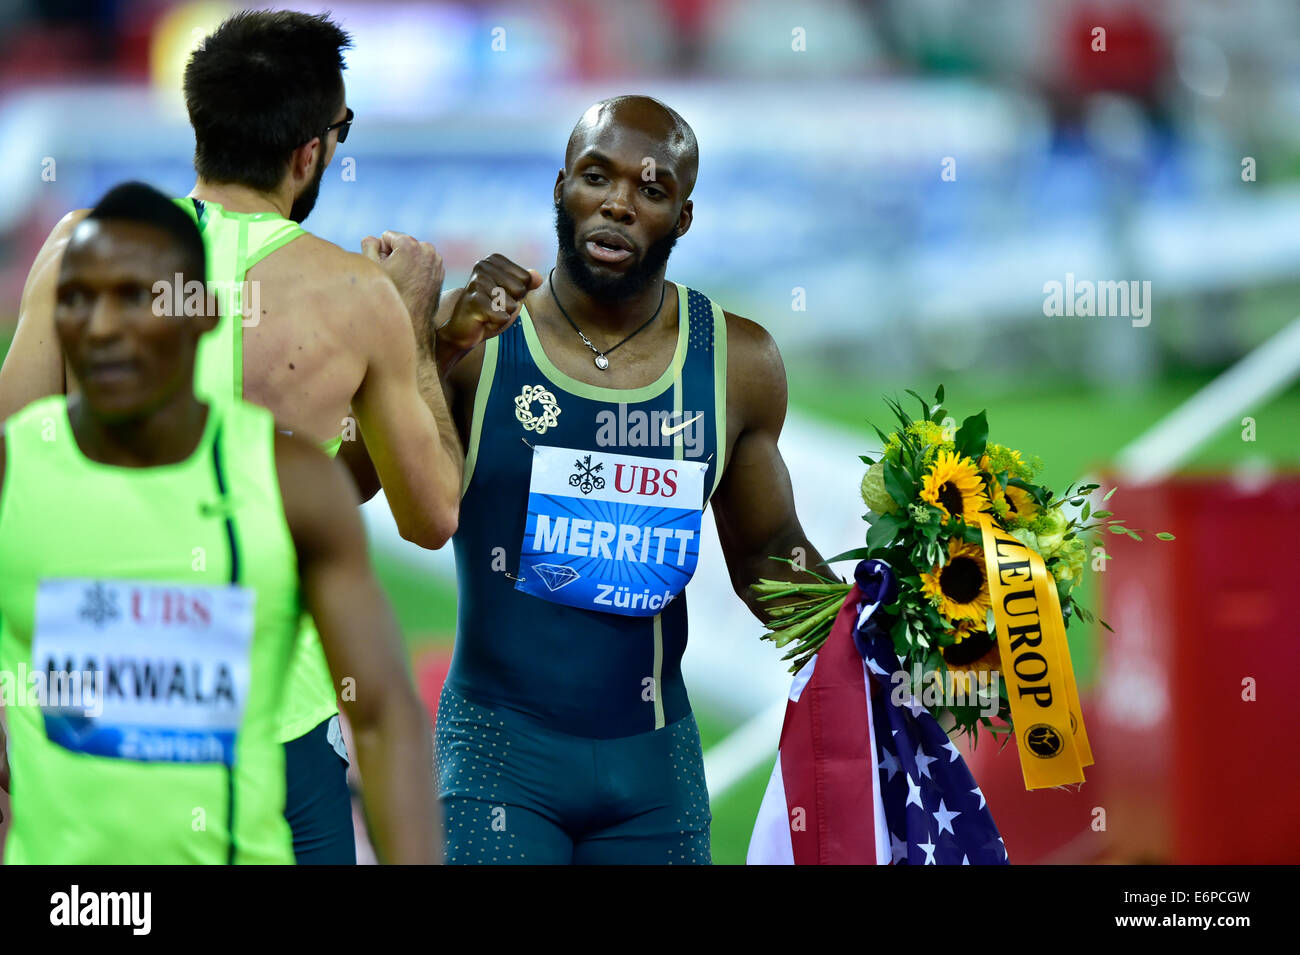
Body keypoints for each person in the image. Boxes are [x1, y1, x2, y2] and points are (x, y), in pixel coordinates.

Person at [0, 10, 459, 863]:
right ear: (310, 151)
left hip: (91, 704)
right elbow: (430, 515)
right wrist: (418, 327)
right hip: (272, 716)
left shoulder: (78, 254)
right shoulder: (357, 298)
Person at [427, 95, 829, 863]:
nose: (616, 202)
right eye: (595, 176)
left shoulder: (736, 363)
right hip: (497, 761)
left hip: (652, 771)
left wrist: (885, 652)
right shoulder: (477, 339)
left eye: (650, 189)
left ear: (682, 217)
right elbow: (353, 484)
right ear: (559, 189)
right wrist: (433, 351)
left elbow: (770, 554)